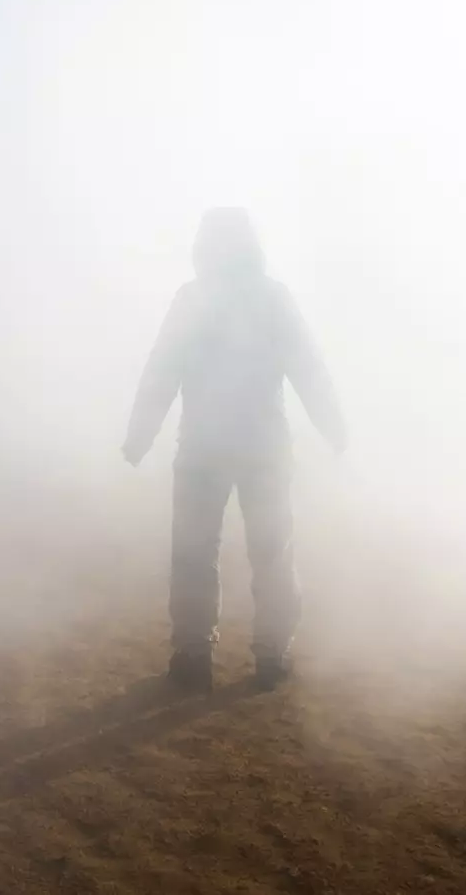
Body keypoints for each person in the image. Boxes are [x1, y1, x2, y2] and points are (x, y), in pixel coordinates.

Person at [122, 208, 346, 692]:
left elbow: (162, 368)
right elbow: (309, 368)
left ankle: (195, 655)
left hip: (207, 446)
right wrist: (332, 426)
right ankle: (268, 655)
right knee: (268, 551)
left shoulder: (195, 299)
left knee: (197, 553)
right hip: (258, 446)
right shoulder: (270, 298)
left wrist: (141, 433)